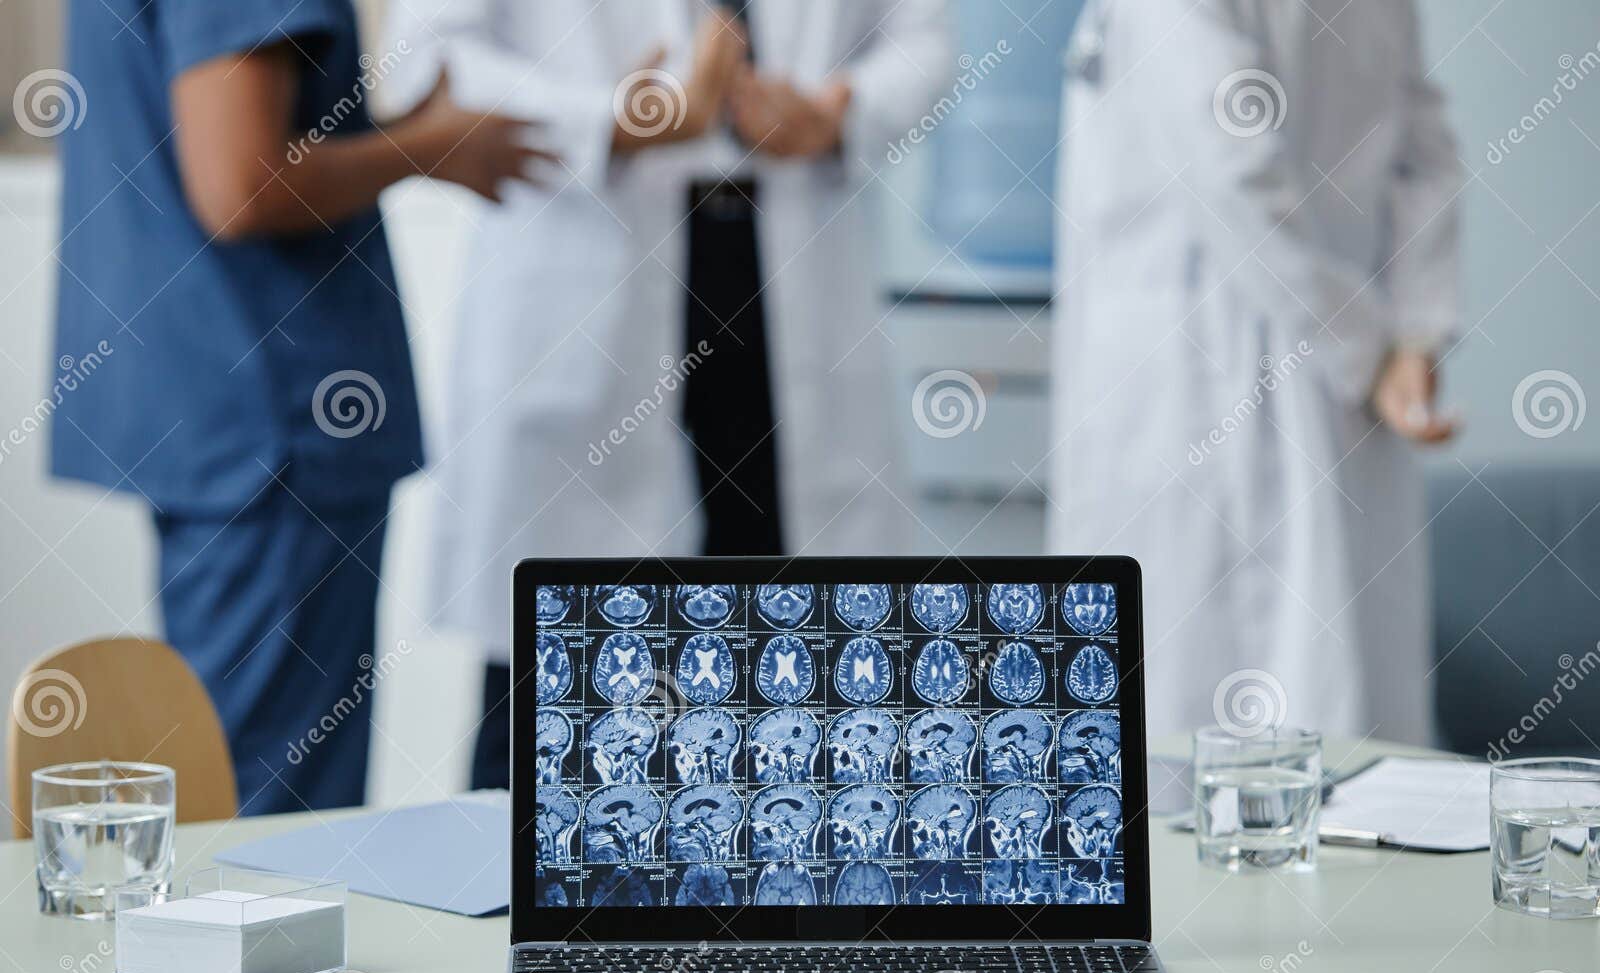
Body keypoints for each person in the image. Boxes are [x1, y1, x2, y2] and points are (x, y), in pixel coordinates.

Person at [382, 0, 952, 789]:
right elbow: (426, 61)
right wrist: (614, 119)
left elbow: (918, 36)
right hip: (591, 264)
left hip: (787, 258)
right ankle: (516, 898)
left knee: (789, 673)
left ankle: (776, 902)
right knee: (556, 681)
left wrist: (838, 113)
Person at [50, 0, 549, 813]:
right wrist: (433, 147)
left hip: (216, 404)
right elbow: (243, 184)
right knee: (273, 826)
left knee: (240, 790)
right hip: (277, 415)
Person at [1048, 0, 1461, 744]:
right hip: (1330, 368)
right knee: (1324, 709)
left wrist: (1386, 347)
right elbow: (1423, 151)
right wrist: (1405, 337)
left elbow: (1231, 166)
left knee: (1199, 731)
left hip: (1215, 377)